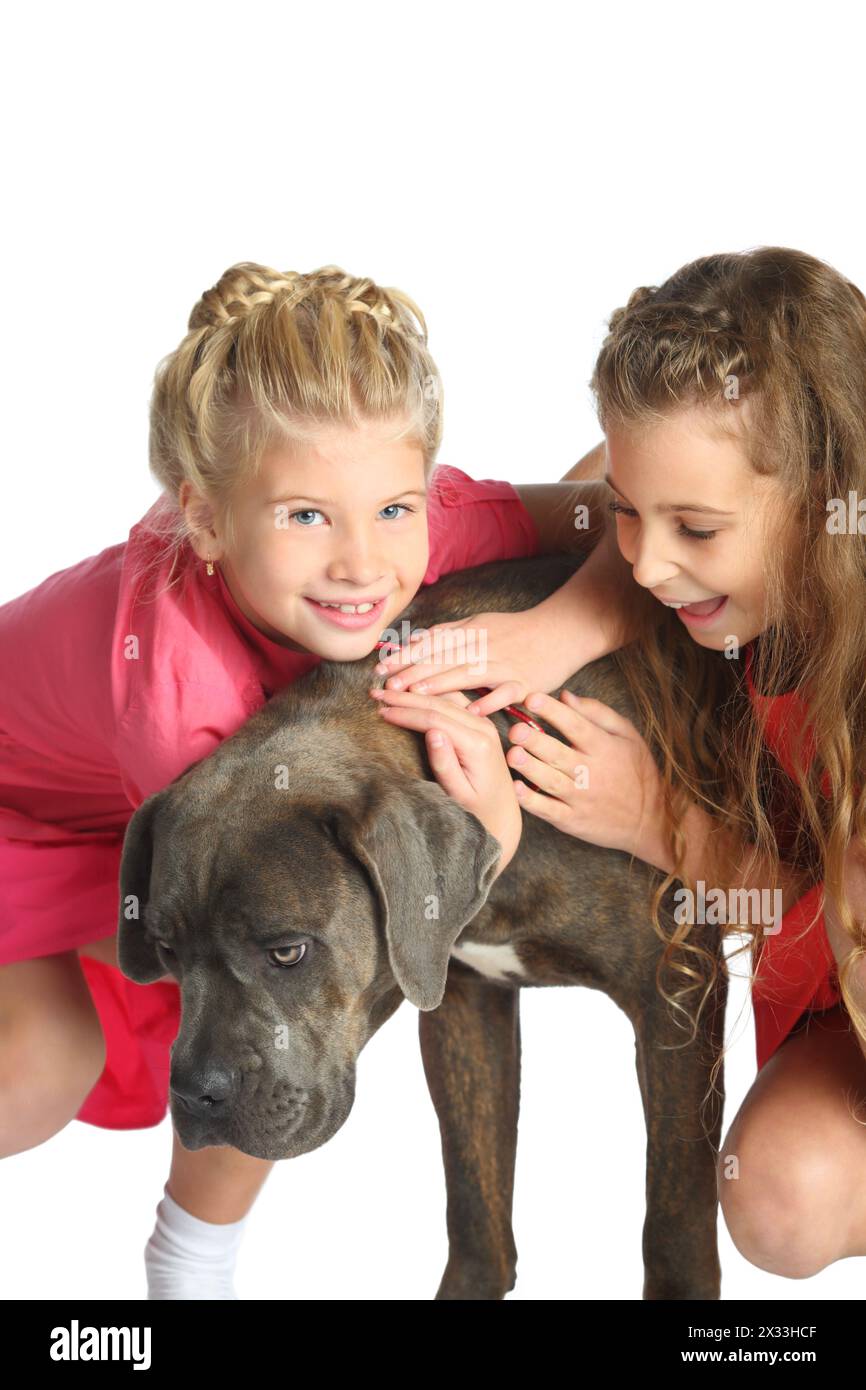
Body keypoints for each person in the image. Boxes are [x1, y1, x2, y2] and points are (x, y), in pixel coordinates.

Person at [0, 261, 648, 1299]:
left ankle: (183, 1260)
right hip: (27, 817)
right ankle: (194, 1269)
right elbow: (277, 947)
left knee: (179, 1002)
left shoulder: (409, 526)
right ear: (204, 521)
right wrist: (487, 834)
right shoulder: (181, 704)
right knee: (56, 1064)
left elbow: (615, 513)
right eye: (304, 517)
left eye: (394, 507)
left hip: (122, 827)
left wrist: (543, 636)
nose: (362, 564)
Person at [374, 246, 866, 1281]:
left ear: (827, 491)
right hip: (832, 998)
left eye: (693, 527)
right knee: (775, 1191)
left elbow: (816, 904)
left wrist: (656, 820)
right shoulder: (710, 546)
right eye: (634, 514)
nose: (645, 559)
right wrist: (561, 625)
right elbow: (572, 493)